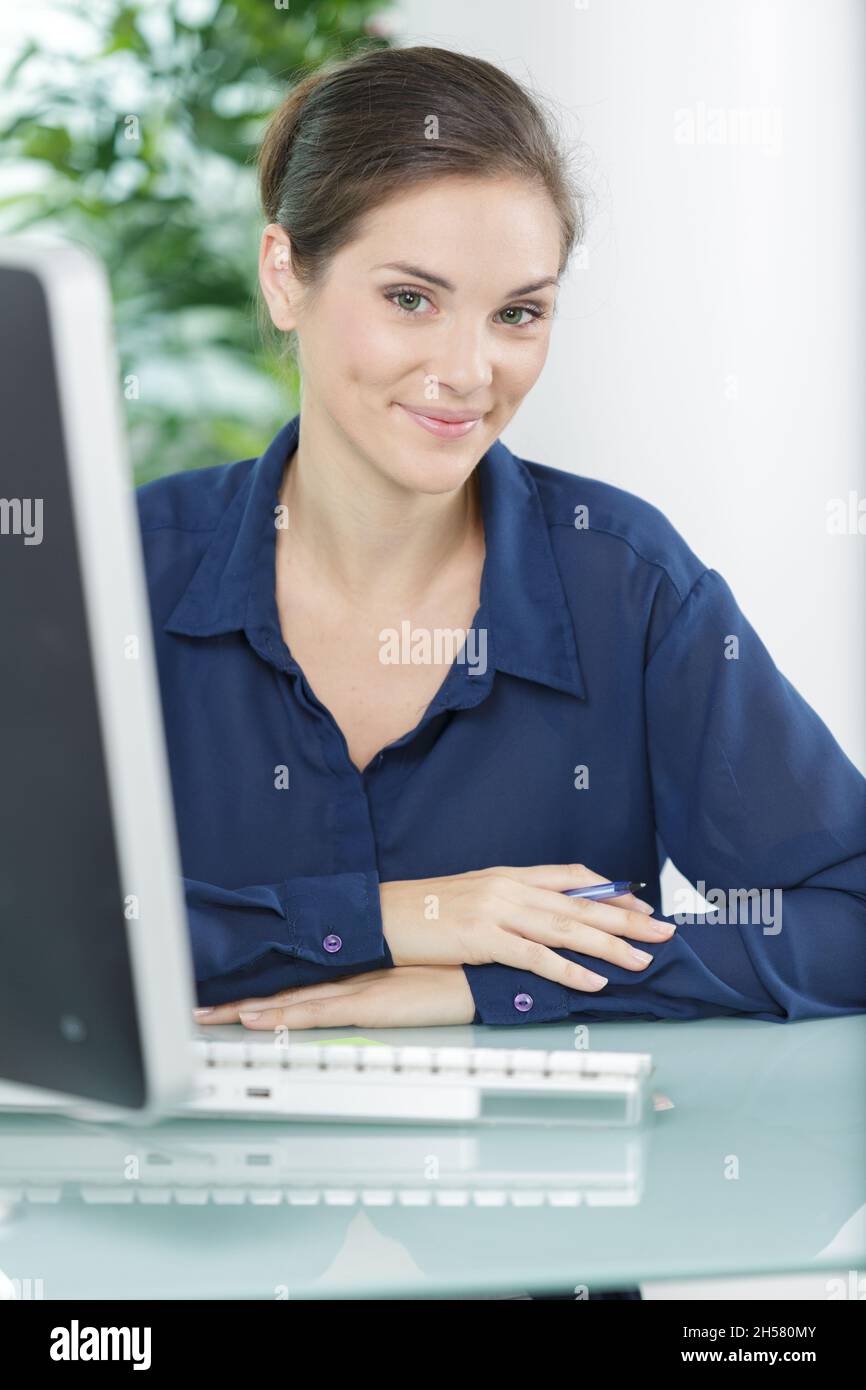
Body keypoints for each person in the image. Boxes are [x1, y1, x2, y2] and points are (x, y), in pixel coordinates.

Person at [136, 45, 866, 1296]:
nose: (470, 370)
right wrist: (387, 920)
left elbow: (844, 914)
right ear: (284, 275)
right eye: (411, 297)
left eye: (517, 311)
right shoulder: (129, 569)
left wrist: (484, 984)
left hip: (534, 1270)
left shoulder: (624, 581)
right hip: (173, 1266)